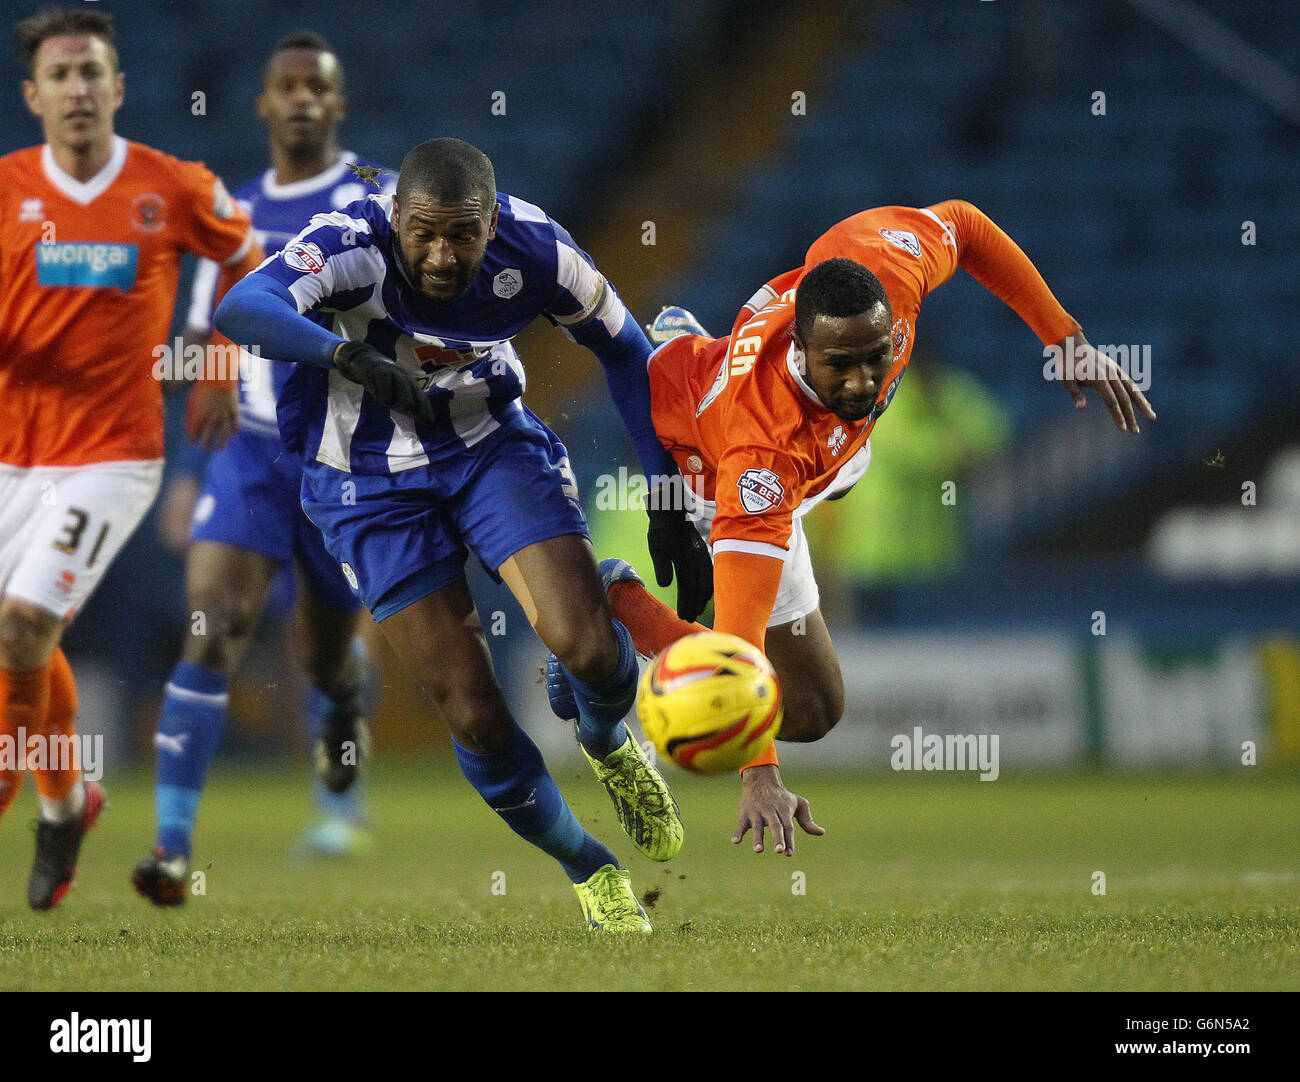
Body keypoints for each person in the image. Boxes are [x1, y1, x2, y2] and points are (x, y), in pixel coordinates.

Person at [214, 137, 712, 931]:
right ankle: (590, 866)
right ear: (399, 216)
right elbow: (241, 307)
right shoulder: (349, 240)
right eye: (426, 234)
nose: (443, 255)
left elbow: (627, 353)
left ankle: (605, 737)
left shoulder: (540, 247)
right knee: (472, 709)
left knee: (585, 646)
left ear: (491, 223)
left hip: (490, 448)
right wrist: (340, 350)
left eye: (463, 235)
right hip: (365, 485)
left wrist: (667, 493)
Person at [588, 201, 1156, 856]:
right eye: (841, 364)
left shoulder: (886, 262)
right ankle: (621, 607)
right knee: (792, 704)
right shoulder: (760, 457)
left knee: (818, 710)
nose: (863, 379)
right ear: (801, 350)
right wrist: (760, 775)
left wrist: (1066, 340)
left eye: (875, 356)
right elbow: (737, 637)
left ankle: (700, 355)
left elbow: (967, 226)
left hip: (807, 456)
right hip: (719, 472)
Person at [0, 7, 258, 909]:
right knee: (25, 636)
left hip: (113, 454)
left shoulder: (169, 186)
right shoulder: (4, 192)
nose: (78, 89)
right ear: (34, 95)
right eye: (60, 76)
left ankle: (14, 793)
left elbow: (245, 254)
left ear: (118, 87)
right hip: (9, 458)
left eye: (92, 73)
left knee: (24, 626)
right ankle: (69, 802)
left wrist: (218, 362)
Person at [132, 31, 396, 906]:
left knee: (324, 658)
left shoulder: (376, 196)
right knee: (212, 627)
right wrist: (184, 472)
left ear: (338, 103)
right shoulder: (231, 213)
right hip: (247, 454)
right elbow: (209, 343)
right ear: (264, 104)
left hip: (340, 458)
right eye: (286, 87)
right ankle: (171, 849)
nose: (300, 101)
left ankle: (340, 770)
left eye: (316, 88)